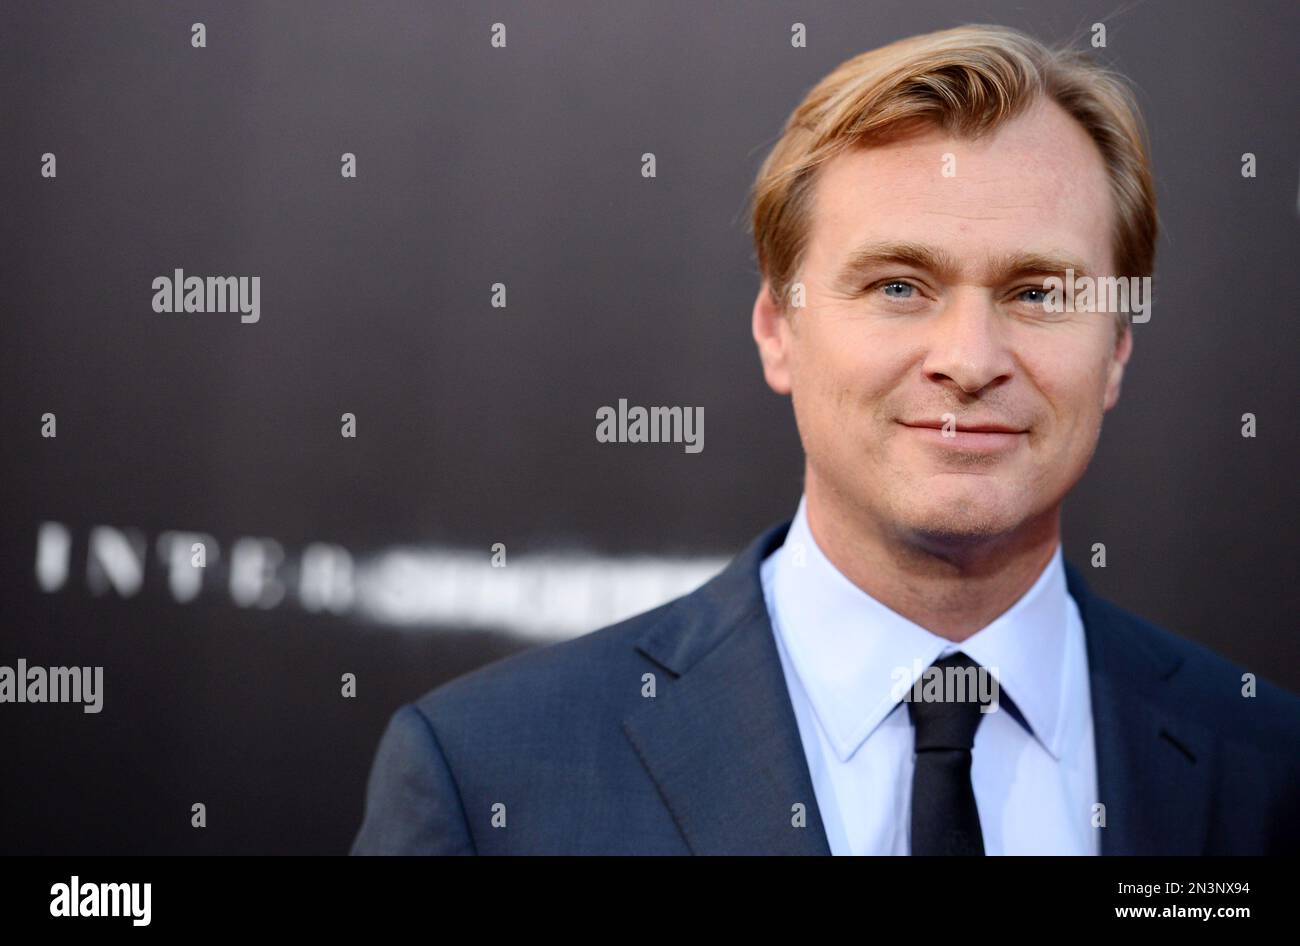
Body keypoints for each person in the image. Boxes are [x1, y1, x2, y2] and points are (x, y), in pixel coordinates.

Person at [350, 24, 1300, 855]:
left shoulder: (1266, 769)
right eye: (898, 285)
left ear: (1118, 350)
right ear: (777, 329)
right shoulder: (491, 777)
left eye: (1038, 293)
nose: (969, 359)